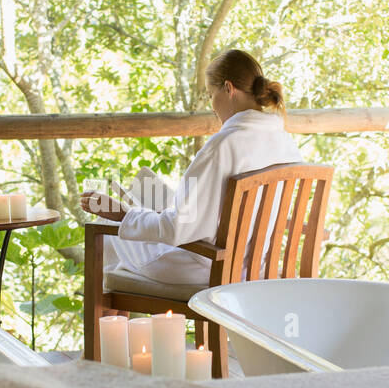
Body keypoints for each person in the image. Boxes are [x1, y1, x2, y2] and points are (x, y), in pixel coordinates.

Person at [80, 48, 303, 289]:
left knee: (109, 229)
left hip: (209, 267)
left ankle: (115, 320)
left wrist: (122, 213)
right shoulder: (285, 142)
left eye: (210, 95)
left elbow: (178, 229)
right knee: (148, 209)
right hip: (255, 266)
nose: (212, 106)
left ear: (228, 89)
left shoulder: (223, 146)